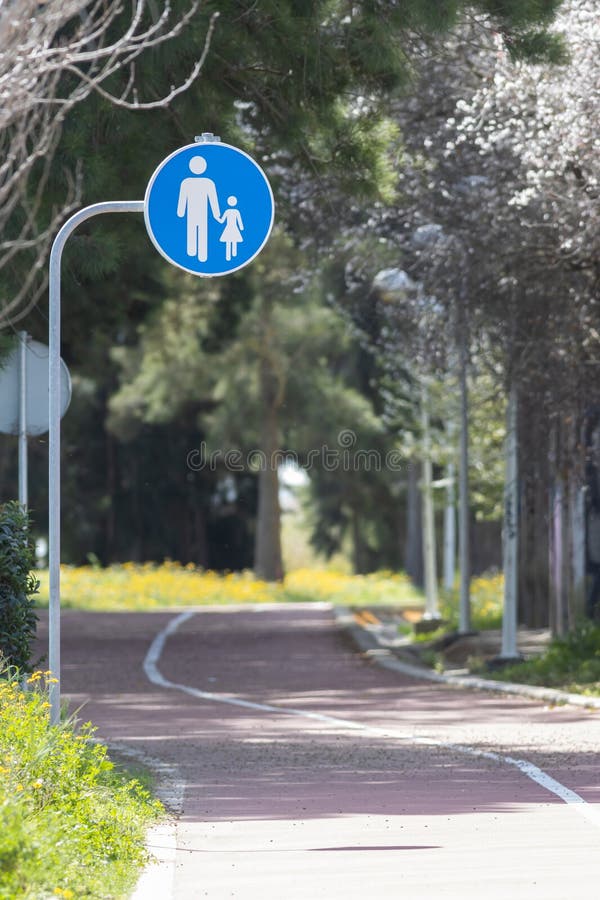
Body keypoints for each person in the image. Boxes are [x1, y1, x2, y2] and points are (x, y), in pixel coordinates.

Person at [177, 156, 221, 262]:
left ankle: (192, 251)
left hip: (194, 213)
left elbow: (182, 200)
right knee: (202, 231)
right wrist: (217, 214)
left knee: (192, 230)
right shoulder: (208, 182)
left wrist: (181, 212)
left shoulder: (186, 182)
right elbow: (213, 201)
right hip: (201, 213)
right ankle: (201, 254)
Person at [219, 196, 244, 261]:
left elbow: (222, 221)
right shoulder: (236, 211)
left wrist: (218, 219)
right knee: (234, 240)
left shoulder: (228, 211)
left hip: (229, 227)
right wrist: (241, 228)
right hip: (233, 227)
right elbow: (239, 221)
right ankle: (233, 254)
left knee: (229, 241)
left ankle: (230, 256)